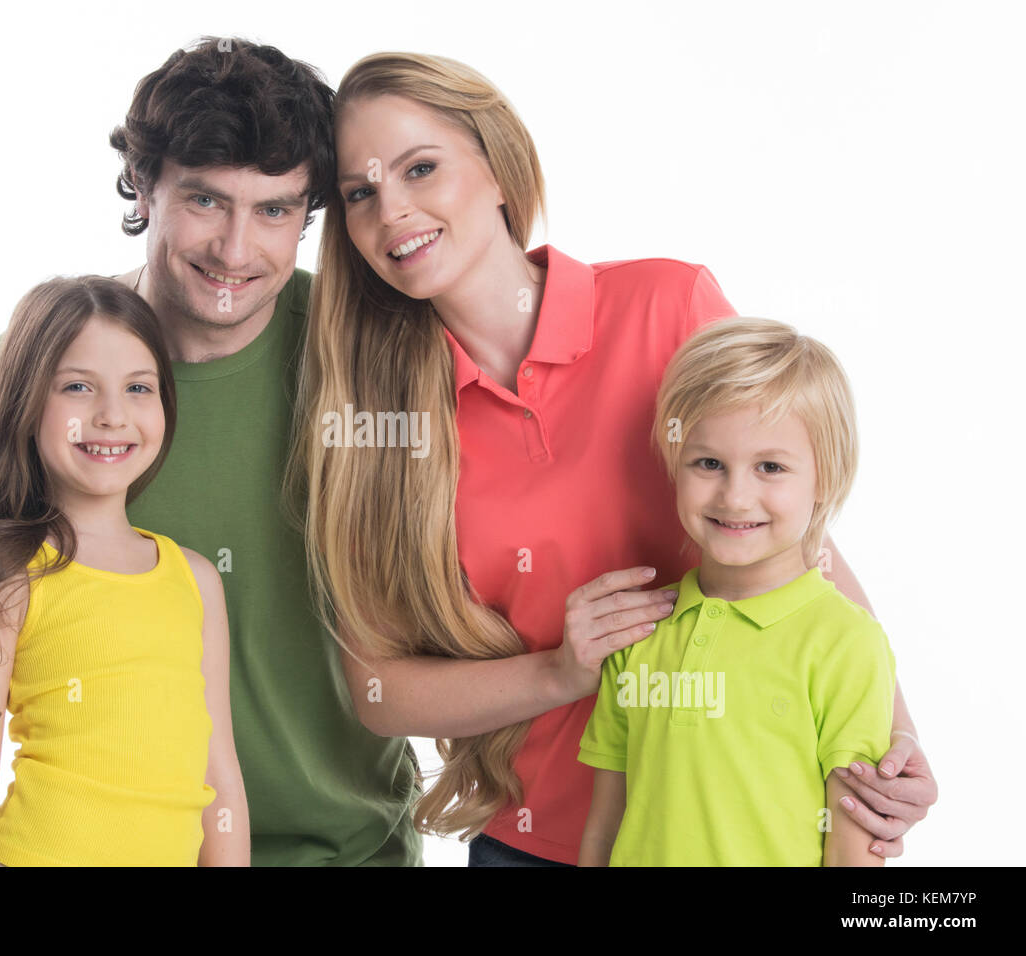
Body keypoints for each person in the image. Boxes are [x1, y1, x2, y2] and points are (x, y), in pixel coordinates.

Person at [292, 51, 936, 866]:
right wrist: (560, 672)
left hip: (746, 836)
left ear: (497, 168)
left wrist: (896, 740)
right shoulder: (375, 422)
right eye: (361, 193)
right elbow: (380, 692)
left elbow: (801, 544)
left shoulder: (668, 308)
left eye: (422, 168)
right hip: (531, 842)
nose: (394, 211)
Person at [0, 38, 423, 866]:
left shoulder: (364, 349)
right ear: (144, 184)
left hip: (353, 846)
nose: (236, 251)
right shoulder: (26, 378)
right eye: (205, 200)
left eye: (275, 211)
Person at [0, 276, 247, 866]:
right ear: (27, 404)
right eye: (78, 387)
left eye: (139, 387)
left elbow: (220, 774)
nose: (112, 415)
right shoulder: (7, 575)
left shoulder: (195, 580)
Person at [576, 317, 893, 866]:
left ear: (828, 478)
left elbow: (853, 849)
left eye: (771, 467)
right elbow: (605, 828)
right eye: (709, 463)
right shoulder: (638, 631)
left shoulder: (846, 642)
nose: (736, 496)